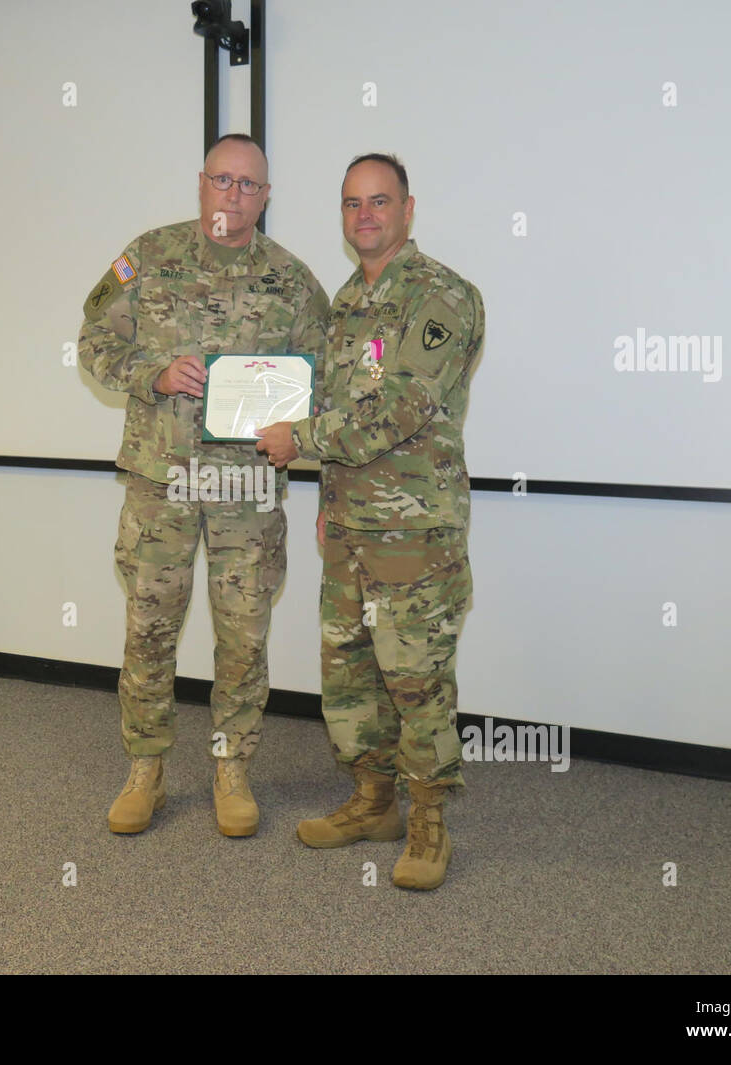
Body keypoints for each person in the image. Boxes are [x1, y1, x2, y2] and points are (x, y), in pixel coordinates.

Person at [79, 133, 329, 837]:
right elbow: (93, 342)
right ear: (201, 183)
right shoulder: (148, 257)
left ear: (266, 195)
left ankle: (231, 766)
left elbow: (327, 380)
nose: (234, 195)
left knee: (243, 636)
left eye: (250, 185)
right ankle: (146, 768)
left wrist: (299, 428)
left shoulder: (294, 281)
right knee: (150, 629)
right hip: (161, 484)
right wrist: (151, 375)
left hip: (247, 490)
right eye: (224, 180)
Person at [256, 153, 484, 889]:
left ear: (408, 209)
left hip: (416, 538)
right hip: (350, 529)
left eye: (379, 202)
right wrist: (326, 504)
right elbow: (329, 403)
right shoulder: (348, 300)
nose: (366, 216)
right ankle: (373, 800)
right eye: (352, 204)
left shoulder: (442, 297)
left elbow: (398, 412)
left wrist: (303, 442)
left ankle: (428, 822)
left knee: (416, 680)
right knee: (350, 677)